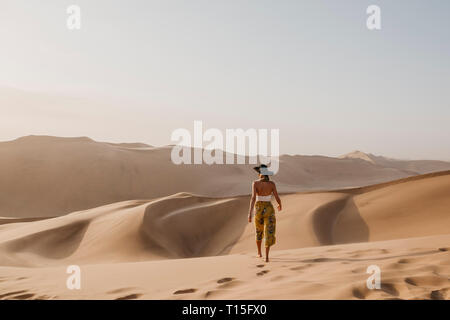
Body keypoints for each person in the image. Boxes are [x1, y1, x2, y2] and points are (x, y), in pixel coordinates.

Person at [248, 164, 282, 262]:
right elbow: (276, 196)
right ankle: (267, 257)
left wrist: (249, 213)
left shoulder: (255, 183)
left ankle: (259, 253)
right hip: (269, 208)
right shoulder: (272, 184)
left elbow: (253, 198)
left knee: (259, 231)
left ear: (259, 174)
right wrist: (280, 204)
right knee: (269, 231)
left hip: (258, 208)